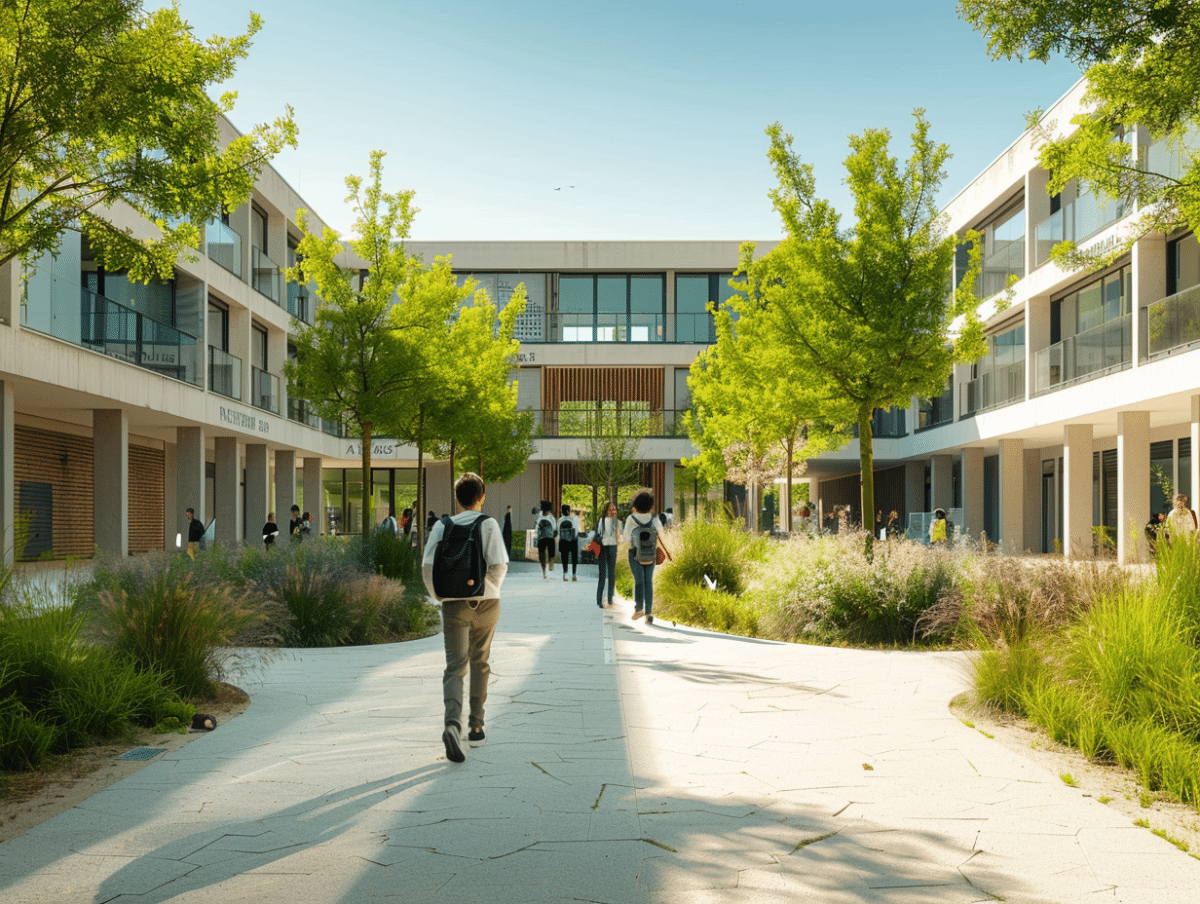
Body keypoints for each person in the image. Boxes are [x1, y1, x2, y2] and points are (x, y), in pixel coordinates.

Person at [422, 472, 508, 764]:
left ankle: (452, 724)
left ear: (457, 498)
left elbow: (427, 566)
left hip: (454, 605)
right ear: (482, 497)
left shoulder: (442, 526)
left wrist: (441, 596)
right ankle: (477, 727)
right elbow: (498, 564)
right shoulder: (489, 524)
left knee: (455, 667)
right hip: (487, 603)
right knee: (480, 662)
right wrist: (489, 587)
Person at [623, 488, 669, 624]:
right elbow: (661, 533)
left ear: (636, 504)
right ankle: (649, 613)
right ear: (650, 505)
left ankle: (638, 608)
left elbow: (626, 538)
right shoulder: (654, 519)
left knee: (639, 581)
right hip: (650, 554)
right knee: (648, 582)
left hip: (635, 554)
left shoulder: (631, 519)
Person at [594, 500, 622, 609]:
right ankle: (599, 600)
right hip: (602, 547)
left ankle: (610, 600)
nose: (613, 511)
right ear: (606, 510)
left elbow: (619, 537)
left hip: (613, 547)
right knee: (602, 575)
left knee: (611, 574)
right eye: (611, 509)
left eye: (614, 509)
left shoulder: (618, 522)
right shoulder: (601, 520)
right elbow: (597, 534)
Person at [535, 500, 557, 579]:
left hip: (542, 537)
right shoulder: (551, 517)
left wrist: (537, 533)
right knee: (550, 551)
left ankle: (545, 570)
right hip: (549, 537)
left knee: (542, 555)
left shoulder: (541, 517)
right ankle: (550, 562)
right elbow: (554, 528)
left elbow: (537, 527)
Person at [558, 503, 580, 582]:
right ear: (569, 511)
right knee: (574, 558)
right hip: (573, 541)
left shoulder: (560, 520)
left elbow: (558, 531)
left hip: (563, 541)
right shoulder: (574, 519)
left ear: (562, 511)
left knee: (564, 558)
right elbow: (577, 530)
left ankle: (565, 574)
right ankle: (574, 575)